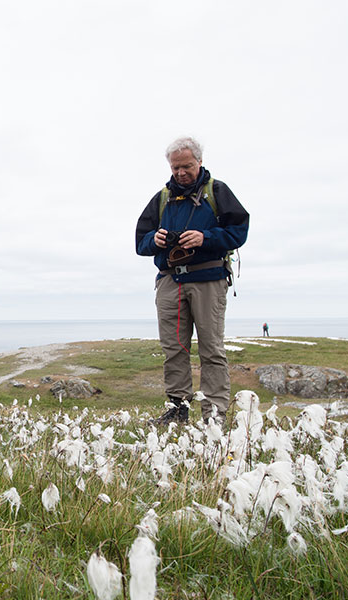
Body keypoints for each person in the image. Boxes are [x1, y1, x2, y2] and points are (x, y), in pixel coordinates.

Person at [135, 136, 249, 425]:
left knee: (211, 348)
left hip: (209, 279)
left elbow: (239, 231)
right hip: (170, 282)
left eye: (186, 166)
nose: (180, 173)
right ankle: (177, 409)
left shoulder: (217, 191)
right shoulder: (162, 199)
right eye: (175, 168)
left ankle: (214, 416)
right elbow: (140, 242)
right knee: (174, 349)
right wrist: (155, 239)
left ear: (199, 161)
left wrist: (205, 237)